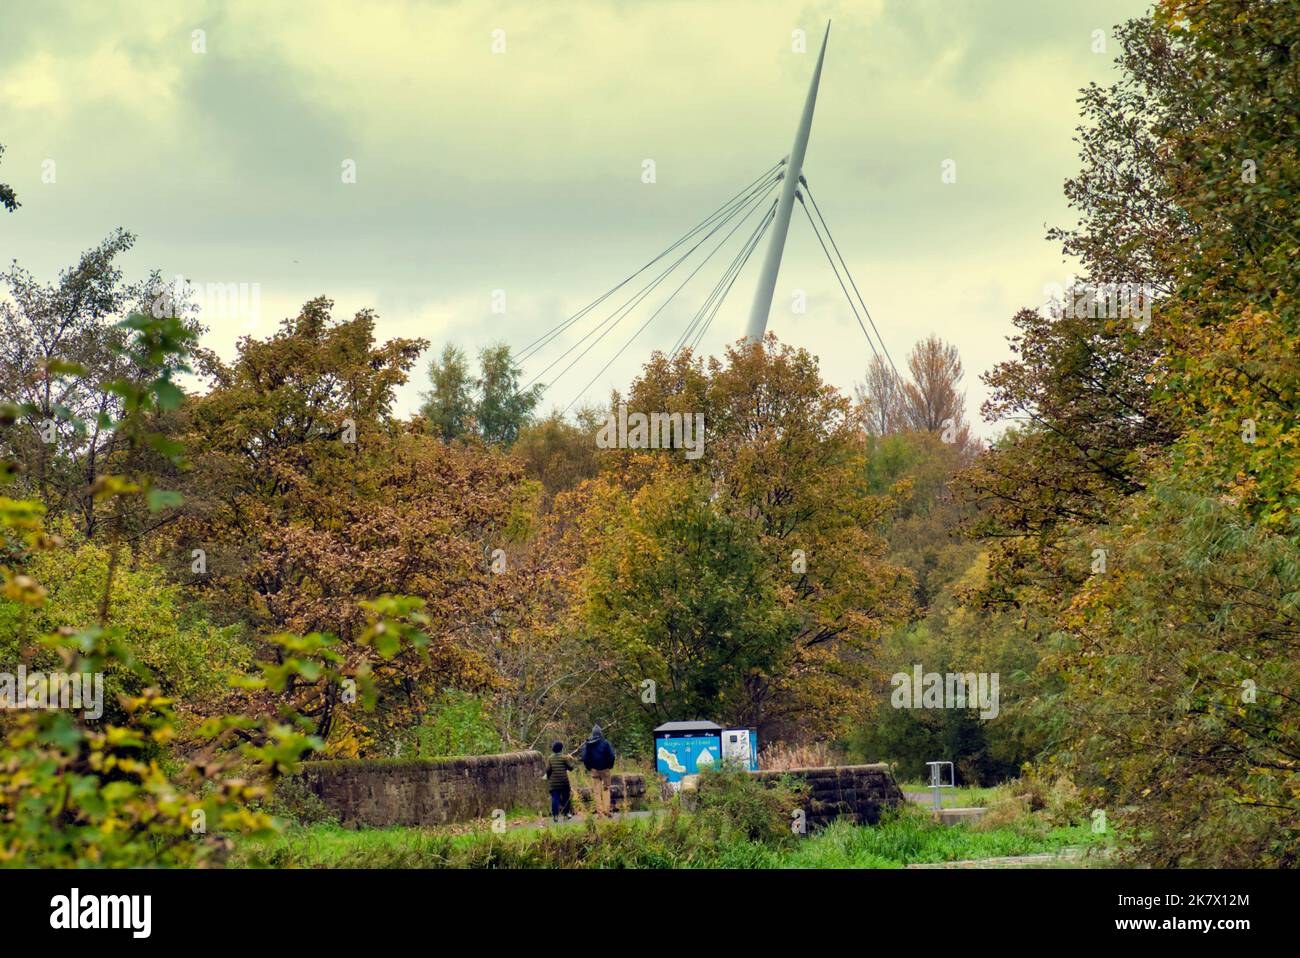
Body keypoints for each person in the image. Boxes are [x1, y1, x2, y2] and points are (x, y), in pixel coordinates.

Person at [580, 724, 616, 818]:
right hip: (605, 770)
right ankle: (606, 811)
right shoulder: (605, 743)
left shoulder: (588, 744)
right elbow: (612, 756)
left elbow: (585, 758)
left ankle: (600, 813)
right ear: (600, 733)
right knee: (606, 789)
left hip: (594, 770)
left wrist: (589, 768)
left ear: (593, 733)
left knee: (597, 792)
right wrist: (609, 766)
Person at [543, 741, 574, 822]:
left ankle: (555, 815)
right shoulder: (564, 758)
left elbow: (548, 770)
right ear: (561, 748)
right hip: (564, 782)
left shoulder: (550, 758)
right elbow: (571, 768)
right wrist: (571, 759)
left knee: (555, 798)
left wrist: (548, 778)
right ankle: (566, 814)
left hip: (553, 783)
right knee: (566, 798)